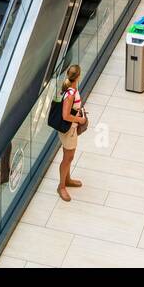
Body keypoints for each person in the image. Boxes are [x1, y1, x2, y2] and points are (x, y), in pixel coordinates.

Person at [55, 63, 87, 201]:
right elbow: (65, 115)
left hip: (70, 130)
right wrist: (80, 120)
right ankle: (61, 186)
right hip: (69, 131)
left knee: (67, 156)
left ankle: (67, 180)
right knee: (68, 158)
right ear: (78, 76)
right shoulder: (71, 93)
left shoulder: (71, 89)